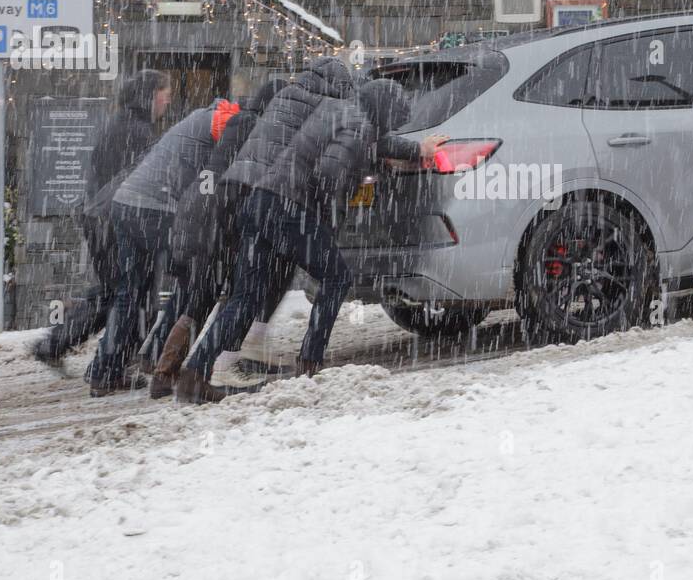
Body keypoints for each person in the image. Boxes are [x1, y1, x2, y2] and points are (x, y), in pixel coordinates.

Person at [174, 79, 447, 404]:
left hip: (261, 201)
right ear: (385, 112)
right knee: (337, 277)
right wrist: (346, 192)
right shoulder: (358, 127)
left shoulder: (338, 112)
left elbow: (373, 143)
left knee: (245, 296)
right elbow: (330, 174)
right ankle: (310, 362)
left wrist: (416, 151)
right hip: (290, 208)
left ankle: (194, 374)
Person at [84, 95, 241, 397]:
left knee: (131, 292)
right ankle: (158, 356)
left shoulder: (197, 117)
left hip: (125, 203)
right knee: (194, 279)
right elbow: (212, 176)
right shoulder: (224, 119)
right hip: (154, 208)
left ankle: (105, 371)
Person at [148, 77, 289, 399]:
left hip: (198, 204)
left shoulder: (240, 120)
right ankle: (212, 369)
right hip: (215, 211)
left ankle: (164, 374)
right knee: (236, 293)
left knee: (201, 294)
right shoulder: (253, 125)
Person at [33, 71, 171, 365]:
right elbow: (139, 181)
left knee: (116, 291)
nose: (167, 100)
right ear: (149, 95)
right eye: (164, 93)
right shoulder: (136, 130)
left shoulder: (126, 124)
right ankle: (114, 357)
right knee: (129, 293)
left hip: (101, 218)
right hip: (113, 221)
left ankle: (64, 345)